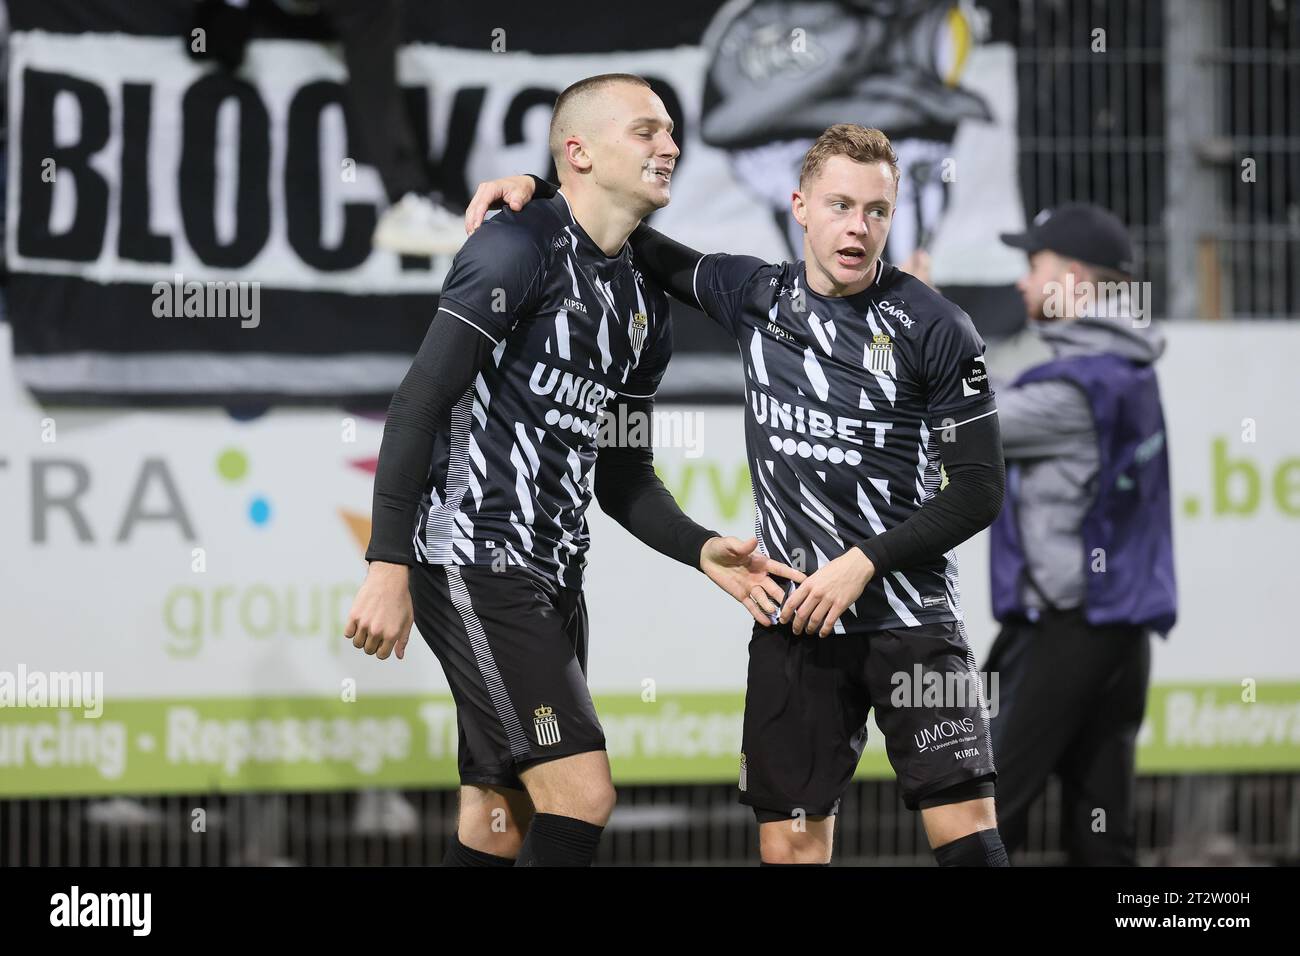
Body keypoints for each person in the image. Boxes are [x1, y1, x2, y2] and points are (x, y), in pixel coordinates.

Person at [468, 124, 1010, 867]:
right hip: (795, 624)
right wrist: (543, 193)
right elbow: (641, 244)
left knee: (967, 833)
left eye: (878, 211)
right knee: (789, 846)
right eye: (841, 205)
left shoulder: (937, 328)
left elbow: (978, 490)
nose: (859, 227)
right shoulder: (755, 295)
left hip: (912, 623)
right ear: (800, 206)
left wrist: (864, 562)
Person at [345, 73, 802, 867]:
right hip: (474, 560)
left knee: (500, 815)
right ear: (578, 152)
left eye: (670, 132)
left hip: (554, 577)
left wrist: (700, 548)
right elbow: (418, 402)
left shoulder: (641, 302)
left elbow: (622, 473)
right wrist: (388, 563)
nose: (669, 145)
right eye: (646, 131)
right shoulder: (513, 247)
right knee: (583, 794)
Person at [985, 203, 1177, 864]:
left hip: (1065, 629)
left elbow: (962, 415)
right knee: (1101, 837)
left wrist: (916, 318)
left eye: (1032, 265)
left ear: (1072, 278)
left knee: (979, 812)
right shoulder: (1123, 371)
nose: (1021, 282)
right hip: (1117, 631)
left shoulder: (1076, 387)